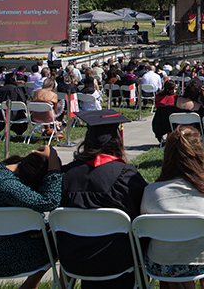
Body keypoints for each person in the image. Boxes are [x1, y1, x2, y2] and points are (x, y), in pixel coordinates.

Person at [59, 110, 149, 289]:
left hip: (74, 260)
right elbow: (142, 213)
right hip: (118, 261)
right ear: (117, 140)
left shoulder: (66, 174)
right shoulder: (125, 175)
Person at [141, 125, 204, 289]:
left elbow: (145, 229)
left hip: (162, 263)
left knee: (174, 251)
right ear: (200, 153)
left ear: (167, 154)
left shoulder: (151, 192)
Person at [0, 146, 61, 289]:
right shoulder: (6, 184)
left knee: (49, 233)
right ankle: (32, 285)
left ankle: (31, 285)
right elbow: (50, 201)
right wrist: (53, 162)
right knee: (60, 237)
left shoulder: (4, 171)